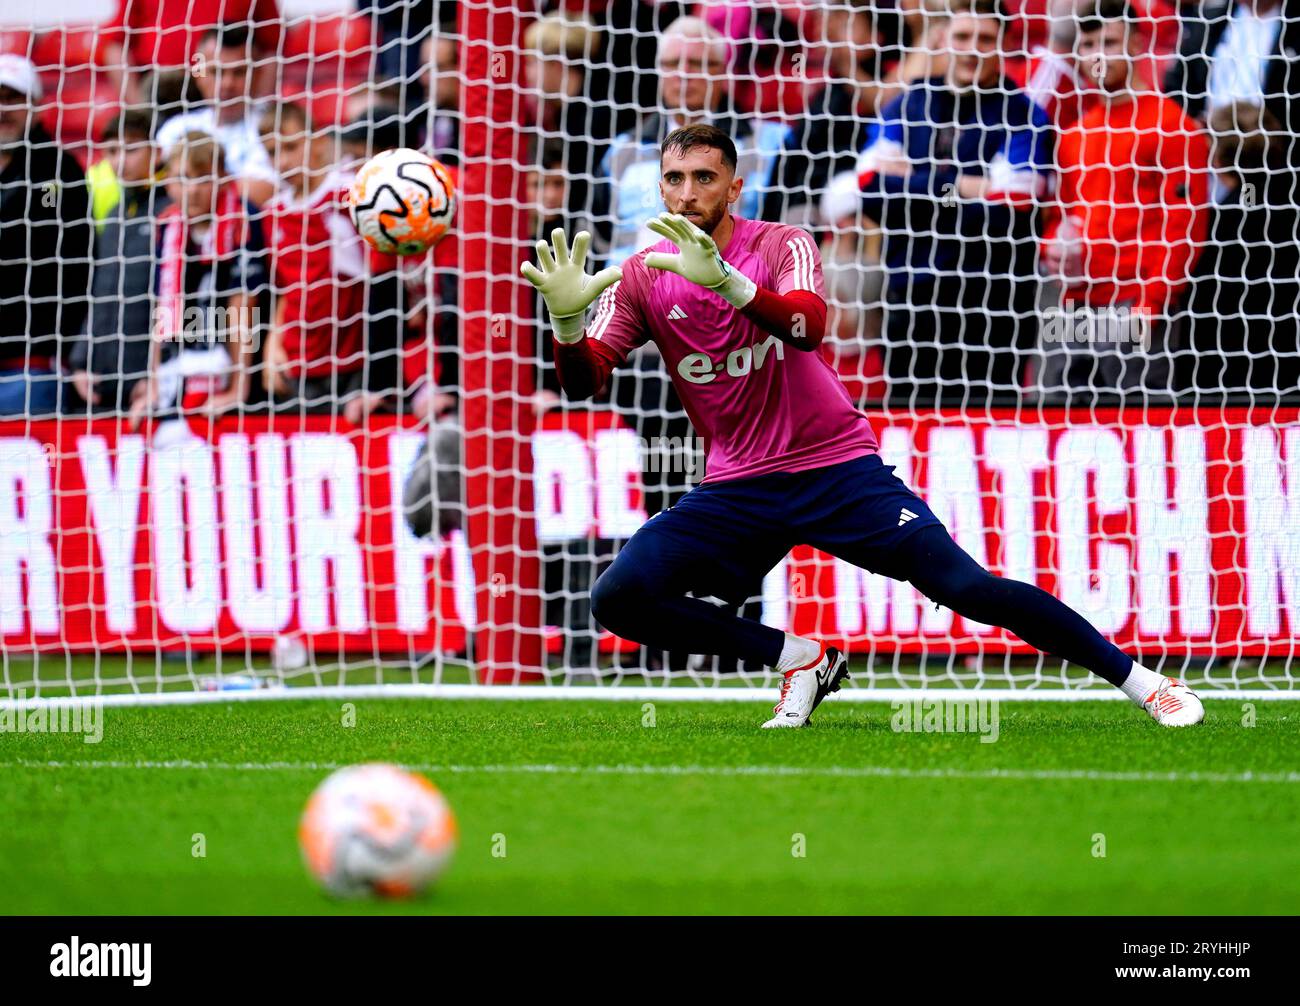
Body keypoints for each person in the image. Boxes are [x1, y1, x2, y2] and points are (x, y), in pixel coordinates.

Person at [521, 123, 1204, 729]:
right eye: (676, 178)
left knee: (966, 589)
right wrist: (567, 324)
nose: (689, 191)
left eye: (705, 177)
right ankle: (803, 659)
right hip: (739, 487)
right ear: (660, 189)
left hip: (835, 468)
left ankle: (1143, 682)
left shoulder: (782, 243)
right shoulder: (643, 277)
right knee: (620, 597)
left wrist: (728, 282)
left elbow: (808, 327)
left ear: (734, 185)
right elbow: (585, 379)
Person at [857, 0, 1051, 407]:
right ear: (944, 40)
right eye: (963, 37)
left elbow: (1009, 212)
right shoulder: (909, 104)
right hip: (911, 300)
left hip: (994, 308)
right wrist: (962, 187)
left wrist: (915, 182)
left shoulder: (1024, 114)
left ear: (1002, 47)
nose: (973, 48)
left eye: (984, 39)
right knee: (914, 424)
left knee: (990, 434)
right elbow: (871, 190)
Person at [1039, 0, 1210, 398]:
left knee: (1140, 430)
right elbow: (1058, 215)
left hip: (1137, 306)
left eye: (1110, 43)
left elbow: (1185, 225)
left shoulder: (1172, 126)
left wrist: (1150, 305)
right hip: (1073, 307)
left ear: (1135, 44)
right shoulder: (1074, 134)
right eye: (1088, 44)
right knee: (1062, 420)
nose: (1097, 55)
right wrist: (1053, 247)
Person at [129, 131, 268, 428]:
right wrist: (154, 383)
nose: (191, 191)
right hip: (181, 366)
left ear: (223, 177)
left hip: (233, 368)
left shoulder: (242, 218)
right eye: (181, 179)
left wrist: (238, 388)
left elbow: (243, 306)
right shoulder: (167, 226)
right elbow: (162, 310)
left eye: (202, 179)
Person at [0, 54, 92, 417]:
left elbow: (73, 264)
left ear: (35, 107)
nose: (2, 109)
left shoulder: (58, 171)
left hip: (33, 366)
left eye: (13, 98)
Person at [68, 109, 169, 414]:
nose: (120, 160)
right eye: (112, 151)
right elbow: (99, 294)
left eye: (132, 149)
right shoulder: (112, 216)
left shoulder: (172, 213)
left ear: (158, 152)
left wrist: (161, 373)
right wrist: (81, 361)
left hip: (150, 384)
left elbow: (179, 299)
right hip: (101, 382)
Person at [154, 23, 280, 207]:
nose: (227, 83)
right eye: (217, 72)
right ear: (198, 73)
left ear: (258, 74)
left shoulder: (275, 127)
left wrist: (190, 190)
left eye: (239, 72)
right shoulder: (175, 129)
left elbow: (260, 192)